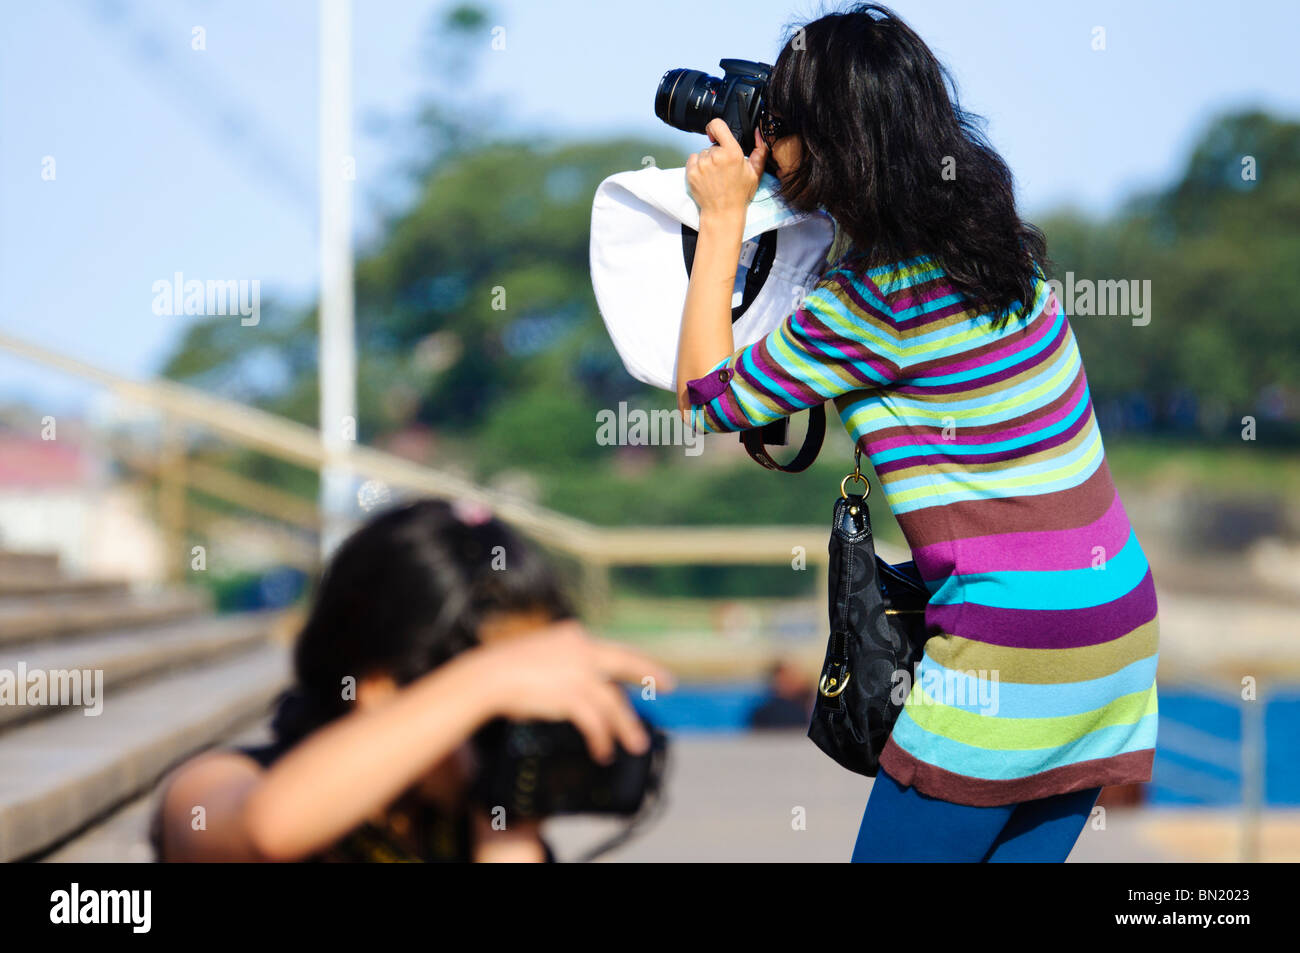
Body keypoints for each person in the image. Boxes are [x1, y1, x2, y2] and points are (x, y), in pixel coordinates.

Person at [676, 3, 1158, 862]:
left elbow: (708, 398)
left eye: (778, 124)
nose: (764, 140)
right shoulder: (1005, 254)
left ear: (822, 147)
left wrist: (721, 218)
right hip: (1112, 627)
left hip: (1010, 649)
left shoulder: (867, 305)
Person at [153, 499, 673, 862]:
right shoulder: (214, 789)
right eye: (495, 716)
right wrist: (488, 682)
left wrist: (510, 833)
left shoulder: (468, 831)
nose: (518, 732)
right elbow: (271, 831)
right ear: (376, 688)